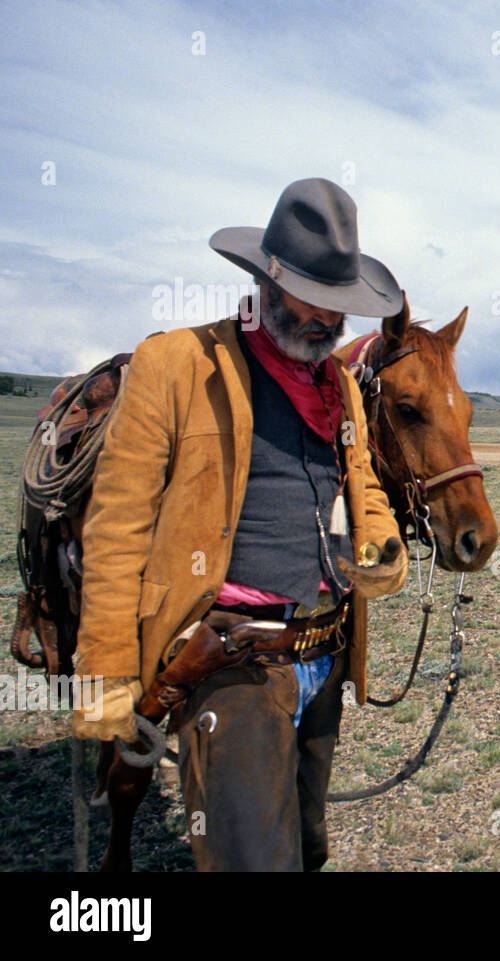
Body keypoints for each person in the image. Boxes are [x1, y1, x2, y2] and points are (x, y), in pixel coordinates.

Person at [69, 178, 410, 870]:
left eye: (340, 307)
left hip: (322, 652)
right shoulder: (178, 366)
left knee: (307, 849)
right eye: (316, 301)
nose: (329, 322)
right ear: (269, 281)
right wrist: (105, 672)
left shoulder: (337, 384)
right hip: (229, 658)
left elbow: (361, 480)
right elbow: (116, 526)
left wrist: (380, 540)